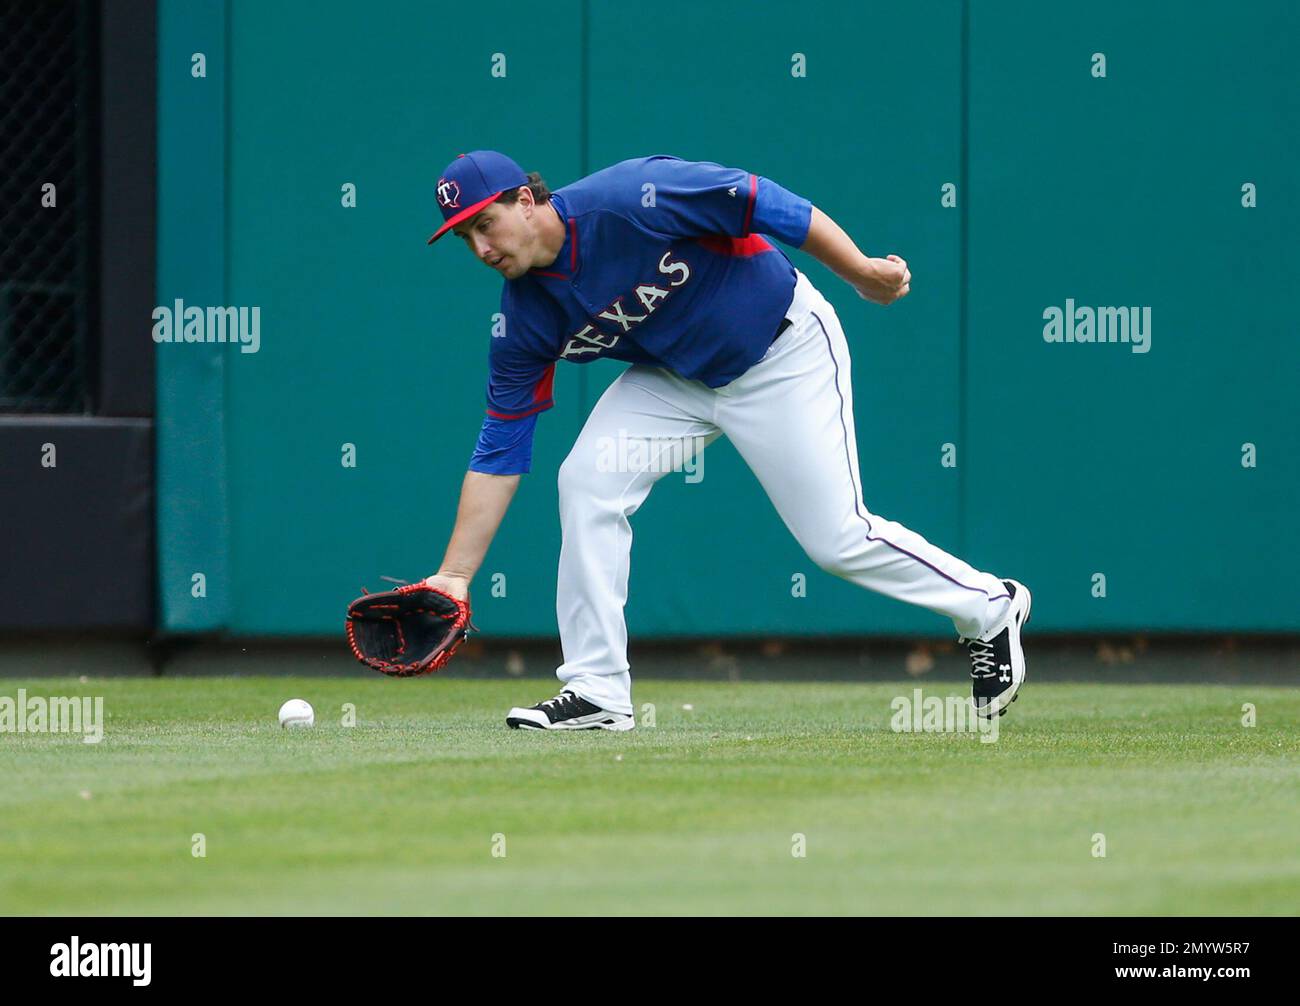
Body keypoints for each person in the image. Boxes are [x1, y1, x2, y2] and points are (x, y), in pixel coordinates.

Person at [423, 150, 1031, 731]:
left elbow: (768, 203)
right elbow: (501, 448)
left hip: (781, 349)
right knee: (587, 482)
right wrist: (455, 575)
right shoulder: (522, 318)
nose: (480, 247)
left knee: (837, 539)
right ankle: (597, 690)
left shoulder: (630, 196)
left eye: (485, 223)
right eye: (463, 237)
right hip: (676, 379)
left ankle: (989, 606)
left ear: (526, 200)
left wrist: (861, 270)